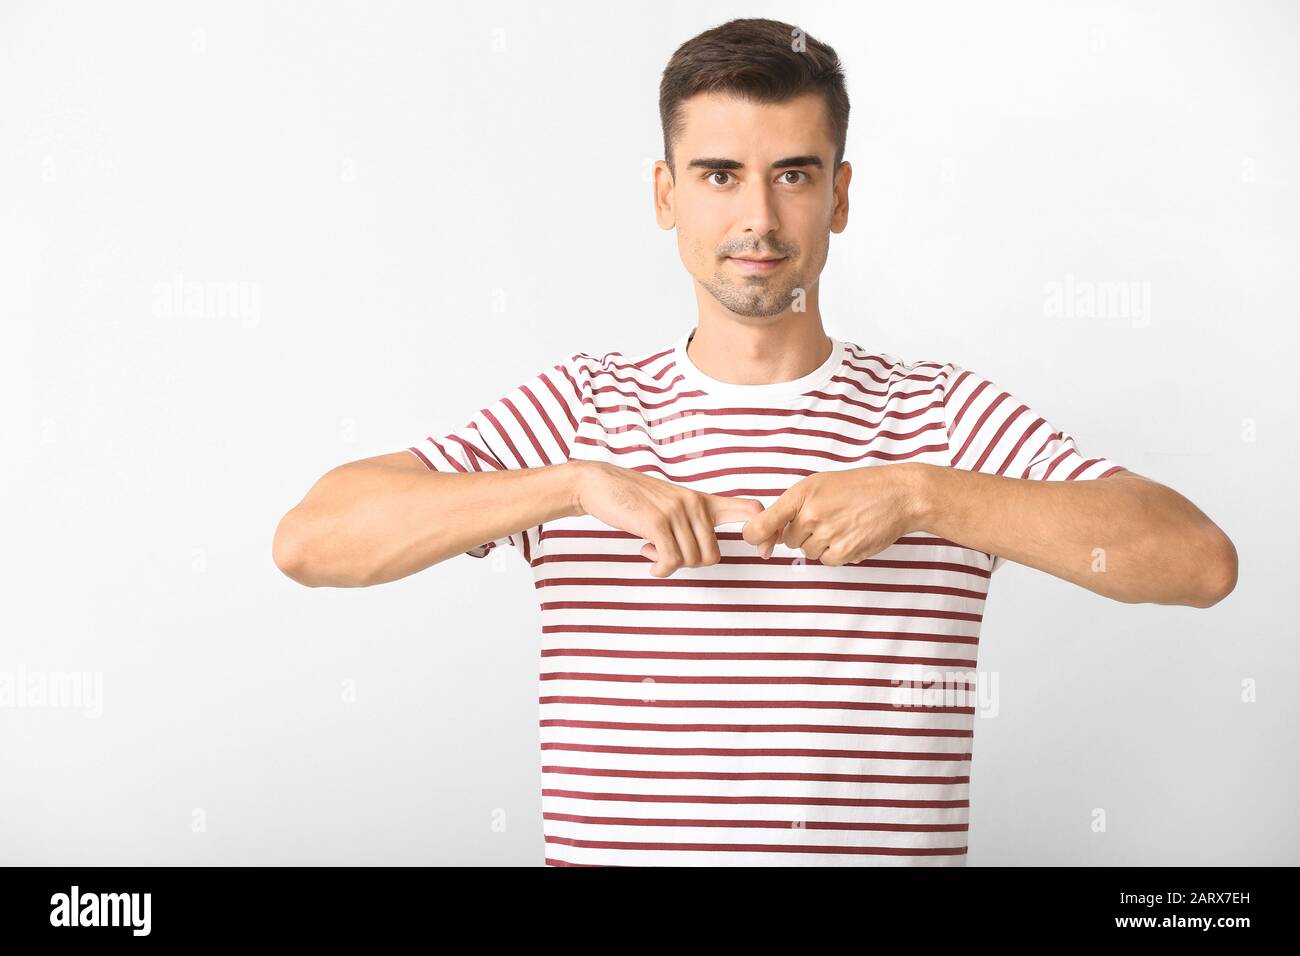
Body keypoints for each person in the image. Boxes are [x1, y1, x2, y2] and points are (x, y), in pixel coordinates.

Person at [272, 18, 1237, 866]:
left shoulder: (942, 418)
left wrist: (925, 497)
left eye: (794, 175)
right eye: (721, 175)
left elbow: (1197, 561)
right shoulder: (580, 411)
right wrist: (570, 488)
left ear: (840, 196)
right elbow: (313, 542)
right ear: (666, 192)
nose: (759, 219)